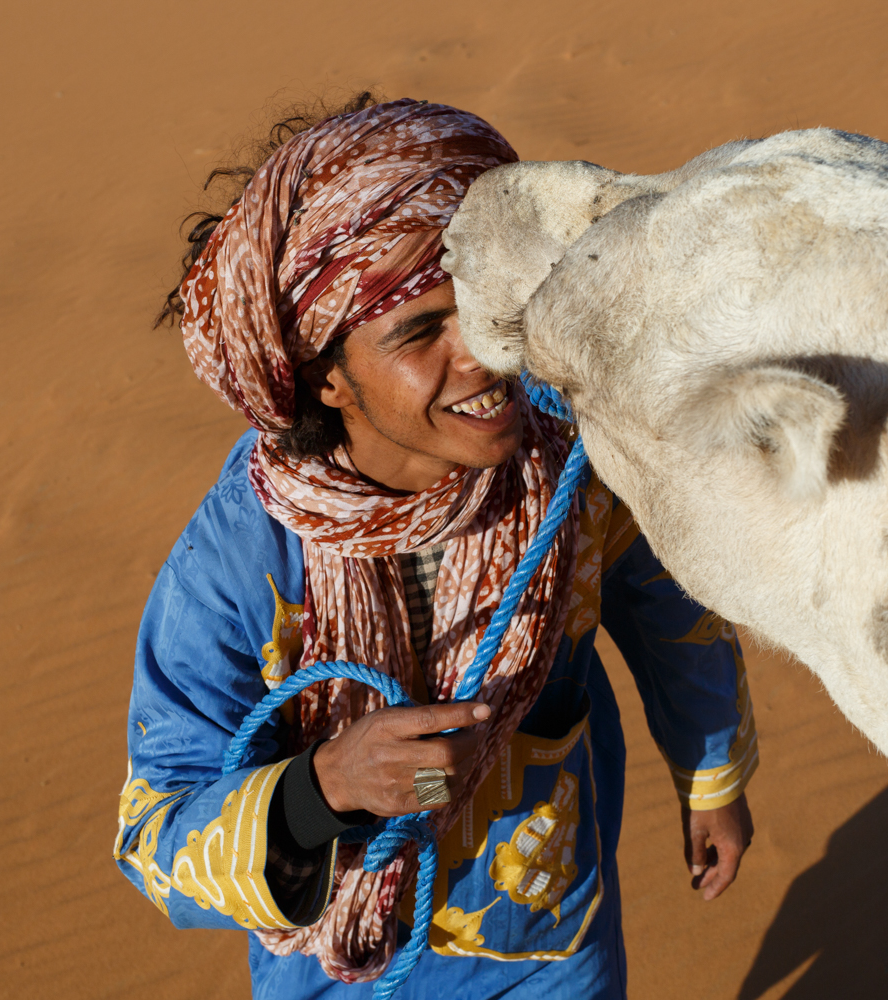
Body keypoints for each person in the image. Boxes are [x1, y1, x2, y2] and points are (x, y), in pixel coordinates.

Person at [113, 95, 758, 1000]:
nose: (487, 355)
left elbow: (667, 603)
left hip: (545, 936)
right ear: (327, 378)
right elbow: (153, 838)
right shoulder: (236, 566)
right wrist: (325, 784)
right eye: (420, 332)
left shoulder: (570, 462)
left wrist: (710, 773)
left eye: (486, 308)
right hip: (338, 972)